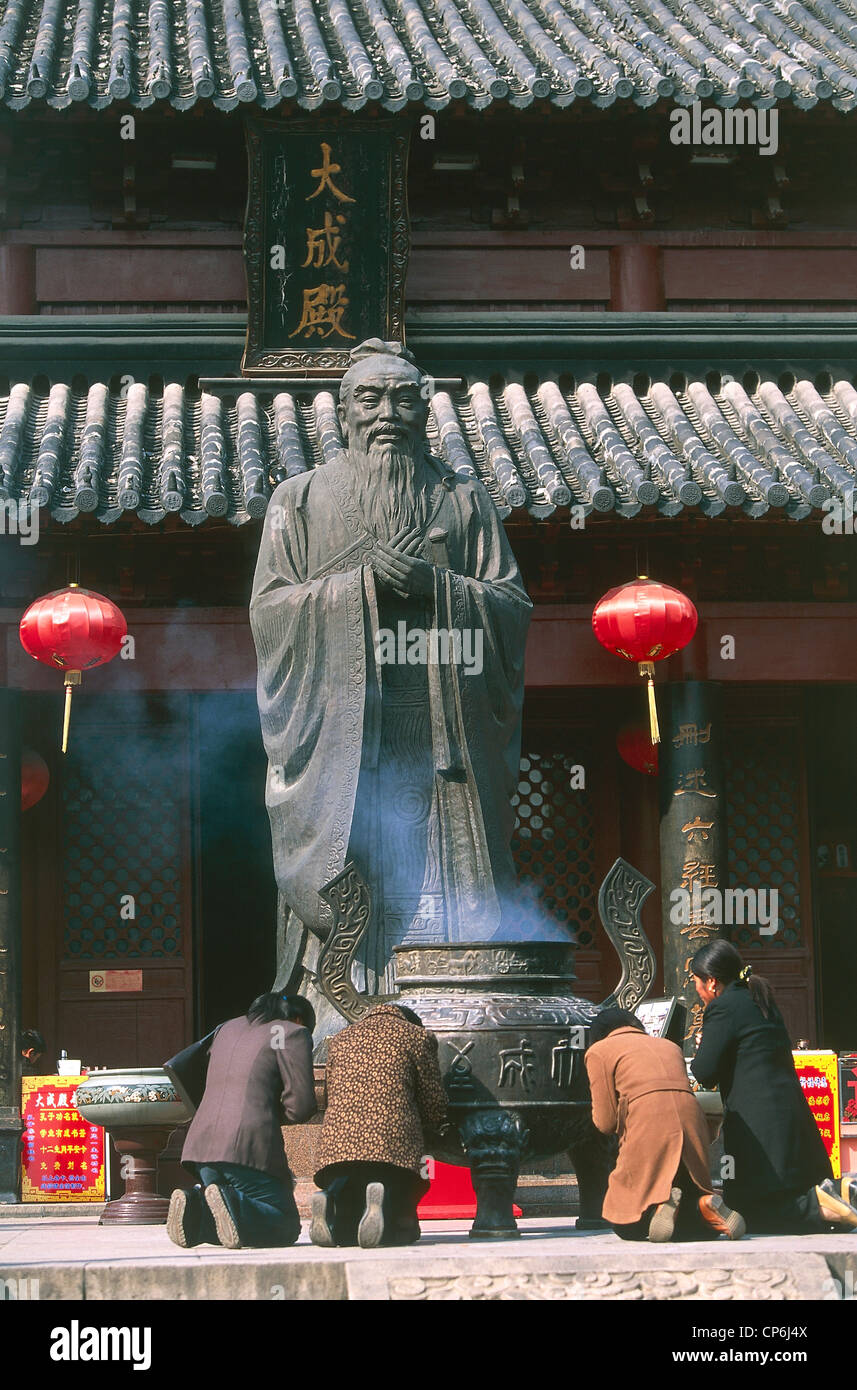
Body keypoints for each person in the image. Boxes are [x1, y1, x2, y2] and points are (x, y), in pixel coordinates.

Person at [250, 338, 532, 1045]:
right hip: (348, 749)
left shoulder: (465, 503)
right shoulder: (300, 501)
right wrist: (356, 591)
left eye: (404, 399)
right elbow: (270, 609)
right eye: (369, 399)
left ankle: (458, 1003)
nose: (387, 414)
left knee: (445, 884)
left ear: (426, 409)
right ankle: (339, 1012)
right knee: (356, 876)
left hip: (444, 744)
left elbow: (510, 604)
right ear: (343, 414)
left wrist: (433, 586)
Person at [690, 940, 857, 1232]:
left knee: (751, 1215)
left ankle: (822, 1205)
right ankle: (836, 1196)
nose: (697, 990)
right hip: (792, 1125)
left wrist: (704, 1045)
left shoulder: (723, 1007)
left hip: (760, 1131)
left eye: (696, 982)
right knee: (766, 1204)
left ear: (712, 982)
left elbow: (705, 1073)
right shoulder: (760, 998)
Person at [166, 992, 317, 1250]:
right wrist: (273, 1114)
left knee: (229, 1214)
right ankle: (229, 1201)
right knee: (284, 1223)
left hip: (201, 1148)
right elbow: (301, 1106)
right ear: (299, 1018)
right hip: (247, 1149)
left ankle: (198, 1210)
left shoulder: (226, 1028)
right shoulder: (290, 1032)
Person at [585, 1008, 746, 1242]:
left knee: (626, 1223)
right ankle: (702, 1204)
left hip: (647, 1119)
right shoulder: (670, 1046)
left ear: (599, 1034)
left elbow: (605, 1121)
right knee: (694, 1206)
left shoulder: (598, 1051)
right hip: (693, 1120)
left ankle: (658, 1207)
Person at [309, 1003, 447, 1248]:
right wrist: (432, 1125)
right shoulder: (416, 1035)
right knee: (401, 1219)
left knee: (347, 1216)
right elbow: (432, 1097)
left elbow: (329, 1091)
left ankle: (331, 1202)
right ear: (410, 1021)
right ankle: (382, 1208)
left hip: (337, 1143)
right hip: (392, 1141)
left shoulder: (341, 1038)